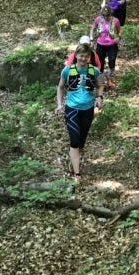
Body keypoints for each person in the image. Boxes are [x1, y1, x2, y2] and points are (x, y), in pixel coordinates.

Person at [55, 43, 105, 180]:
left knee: (81, 141)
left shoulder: (94, 70)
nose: (83, 59)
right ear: (76, 55)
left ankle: (74, 159)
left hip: (88, 109)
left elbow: (101, 84)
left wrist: (99, 97)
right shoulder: (67, 70)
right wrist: (60, 105)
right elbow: (60, 87)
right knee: (75, 140)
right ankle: (77, 174)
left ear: (89, 57)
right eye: (81, 56)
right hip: (72, 109)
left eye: (86, 56)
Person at [89, 4, 121, 80]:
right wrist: (91, 38)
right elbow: (93, 28)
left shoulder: (115, 20)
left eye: (107, 15)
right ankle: (101, 75)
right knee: (100, 61)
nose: (106, 17)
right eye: (104, 15)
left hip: (112, 44)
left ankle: (111, 72)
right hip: (100, 44)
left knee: (112, 60)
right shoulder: (98, 19)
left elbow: (119, 31)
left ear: (111, 14)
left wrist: (118, 37)